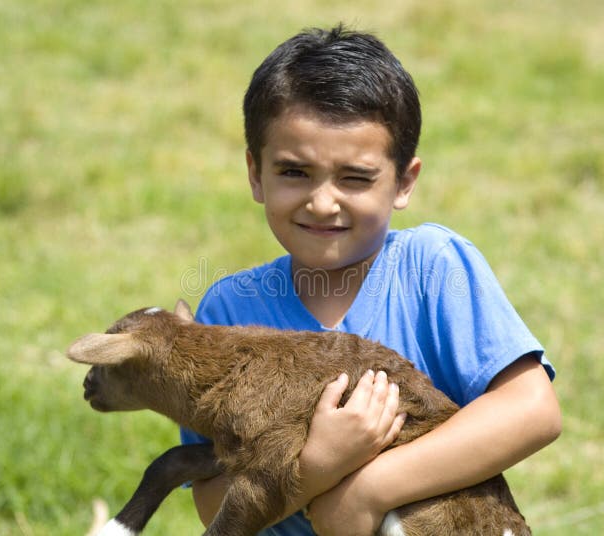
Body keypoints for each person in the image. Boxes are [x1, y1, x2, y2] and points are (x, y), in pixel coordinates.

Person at [180, 24, 561, 536]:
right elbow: (210, 502)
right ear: (255, 173)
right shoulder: (229, 311)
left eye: (355, 178)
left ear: (404, 181)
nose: (321, 202)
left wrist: (370, 490)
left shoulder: (433, 267)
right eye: (294, 172)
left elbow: (532, 410)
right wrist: (317, 466)